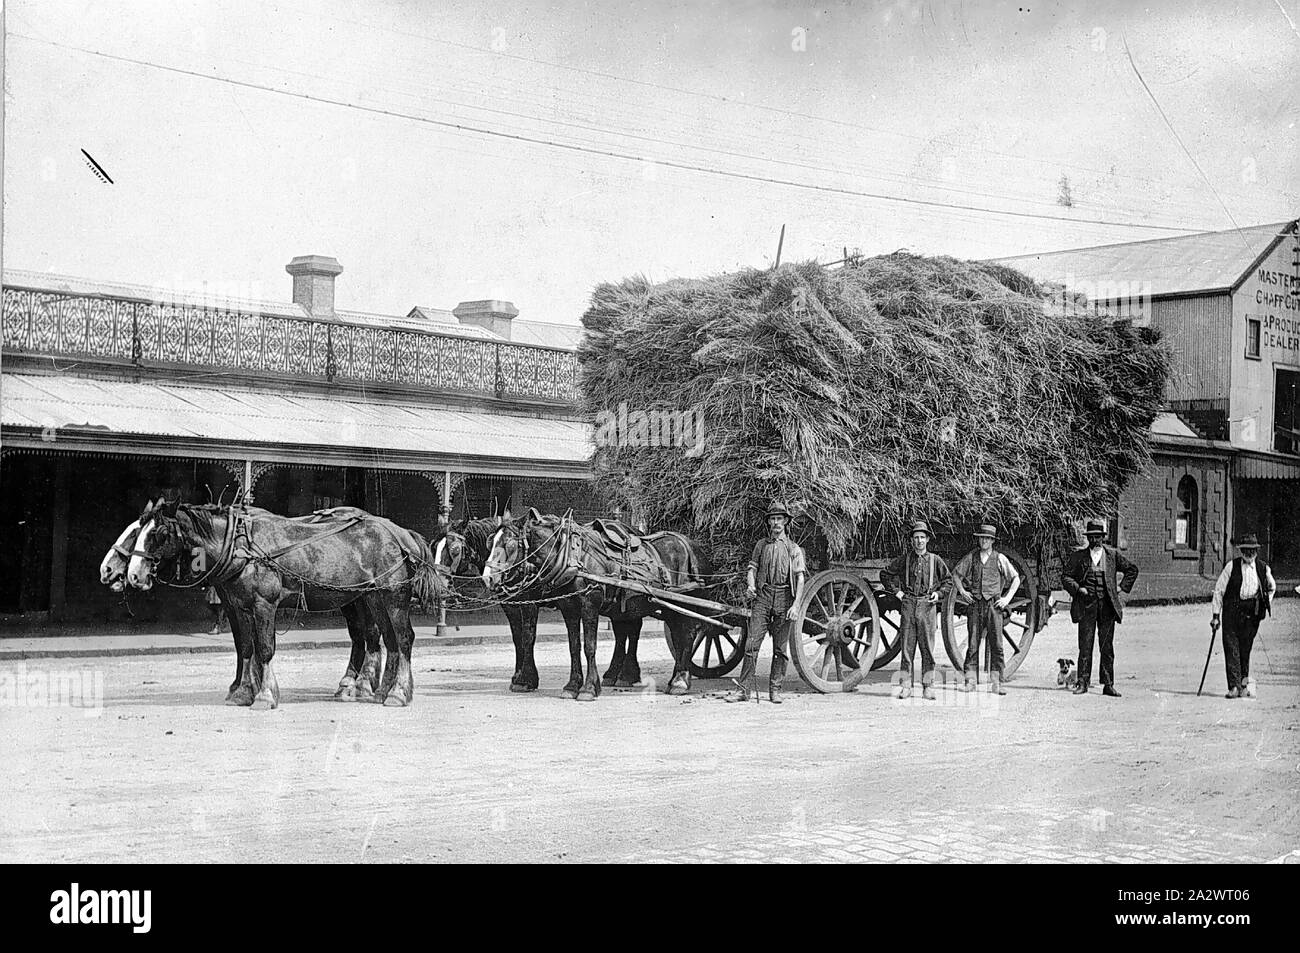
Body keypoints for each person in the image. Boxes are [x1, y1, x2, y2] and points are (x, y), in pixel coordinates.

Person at [725, 501, 807, 704]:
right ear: (769, 522)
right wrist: (751, 585)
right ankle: (744, 690)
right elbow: (752, 569)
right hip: (763, 597)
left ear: (786, 522)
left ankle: (775, 689)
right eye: (773, 519)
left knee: (780, 649)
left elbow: (800, 578)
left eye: (780, 519)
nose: (776, 522)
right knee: (751, 645)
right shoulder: (761, 545)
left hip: (785, 598)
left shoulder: (793, 549)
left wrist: (795, 606)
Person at [865, 520, 952, 700]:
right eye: (916, 537)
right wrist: (897, 592)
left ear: (927, 540)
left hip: (927, 605)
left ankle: (928, 686)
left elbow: (949, 581)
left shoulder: (936, 561)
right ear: (912, 540)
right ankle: (906, 686)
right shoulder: (905, 559)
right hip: (908, 604)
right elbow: (885, 574)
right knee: (907, 648)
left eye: (922, 537)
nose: (919, 541)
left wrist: (938, 594)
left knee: (927, 648)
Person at [1060, 520, 1139, 697]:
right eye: (1092, 537)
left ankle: (1108, 684)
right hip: (1086, 606)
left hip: (1107, 607)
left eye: (1098, 536)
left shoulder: (1112, 556)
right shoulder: (1078, 557)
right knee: (1085, 646)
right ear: (1088, 538)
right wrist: (1078, 589)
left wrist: (1120, 588)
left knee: (1107, 647)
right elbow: (1065, 577)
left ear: (1103, 538)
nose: (1095, 540)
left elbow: (1132, 570)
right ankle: (1082, 682)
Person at [951, 524, 1021, 695]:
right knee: (973, 644)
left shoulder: (999, 558)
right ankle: (970, 681)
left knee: (997, 645)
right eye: (982, 538)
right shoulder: (972, 557)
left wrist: (1006, 599)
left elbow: (1016, 578)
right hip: (975, 606)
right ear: (979, 539)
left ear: (992, 541)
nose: (984, 541)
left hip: (993, 606)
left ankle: (997, 683)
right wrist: (962, 591)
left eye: (987, 538)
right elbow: (956, 575)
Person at [1210, 533, 1276, 699]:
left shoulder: (1263, 568)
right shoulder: (1231, 567)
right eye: (1246, 550)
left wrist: (1264, 602)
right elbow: (1219, 590)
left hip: (1251, 615)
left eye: (1252, 550)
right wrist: (1216, 615)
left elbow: (1272, 587)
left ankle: (1244, 686)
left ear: (1256, 551)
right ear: (1241, 551)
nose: (1249, 553)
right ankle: (1233, 686)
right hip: (1232, 613)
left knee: (1245, 650)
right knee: (1232, 648)